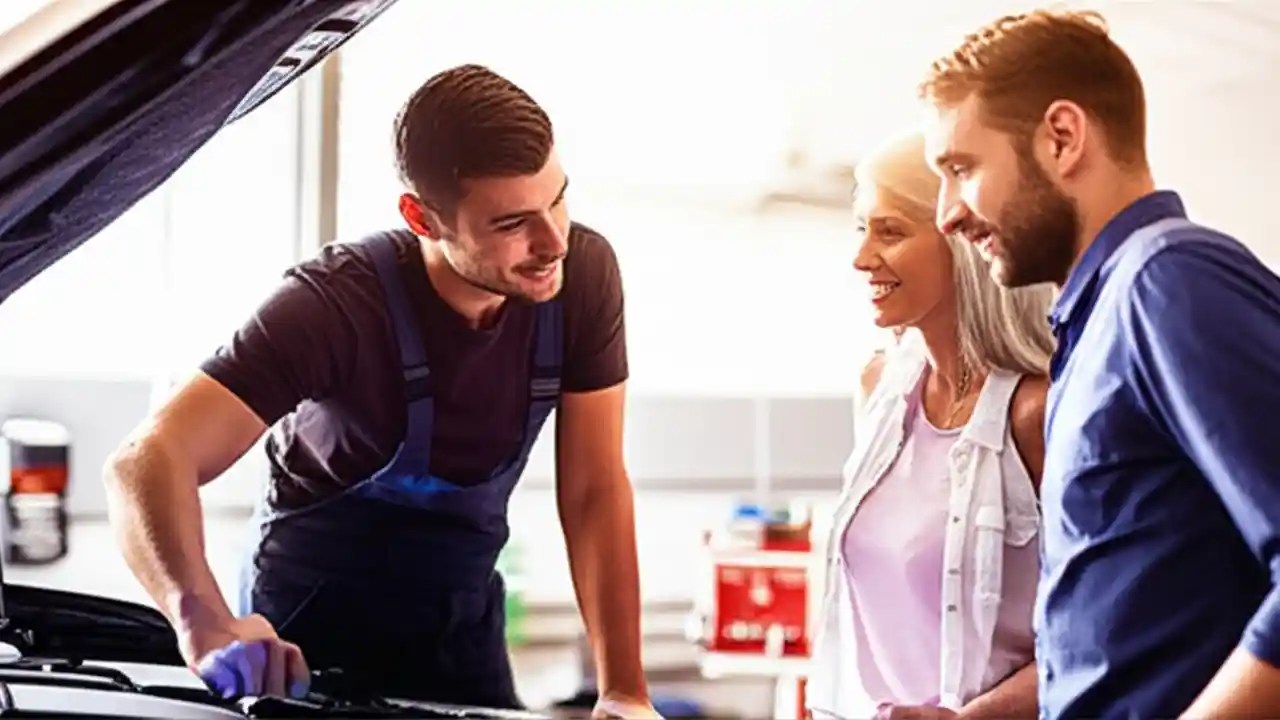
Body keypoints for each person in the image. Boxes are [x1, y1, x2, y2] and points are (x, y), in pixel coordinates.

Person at [102, 64, 658, 719]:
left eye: (558, 200)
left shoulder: (582, 277)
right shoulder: (334, 306)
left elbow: (594, 488)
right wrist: (202, 622)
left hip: (461, 643)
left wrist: (624, 691)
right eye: (511, 224)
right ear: (422, 217)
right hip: (306, 656)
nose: (552, 242)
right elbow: (145, 458)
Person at [919, 9, 1280, 719]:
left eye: (961, 169)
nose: (946, 215)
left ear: (1062, 136)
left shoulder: (1168, 281)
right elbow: (1129, 633)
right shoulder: (1098, 323)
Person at [805, 130, 1055, 720]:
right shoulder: (878, 390)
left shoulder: (1037, 414)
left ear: (963, 241)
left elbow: (1107, 633)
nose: (862, 257)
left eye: (890, 231)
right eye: (861, 228)